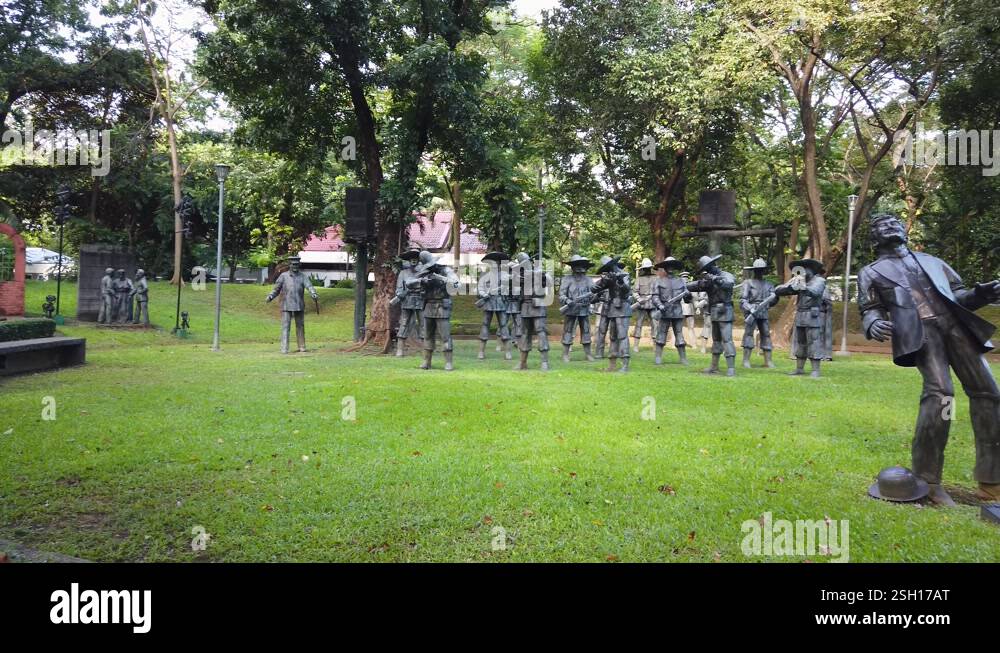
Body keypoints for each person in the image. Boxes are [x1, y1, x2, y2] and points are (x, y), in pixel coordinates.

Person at [858, 212, 1000, 505]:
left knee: (988, 393)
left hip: (958, 328)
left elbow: (959, 296)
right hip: (923, 335)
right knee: (942, 396)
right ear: (874, 238)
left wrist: (981, 295)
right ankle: (928, 480)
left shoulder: (934, 262)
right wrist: (873, 323)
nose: (890, 226)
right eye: (882, 225)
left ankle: (991, 479)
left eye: (894, 222)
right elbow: (869, 308)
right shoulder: (870, 272)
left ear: (904, 230)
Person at [686, 254, 737, 376]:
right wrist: (684, 287)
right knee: (716, 340)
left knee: (727, 339)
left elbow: (729, 284)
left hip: (725, 310)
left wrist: (714, 279)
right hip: (714, 312)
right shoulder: (708, 280)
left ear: (713, 265)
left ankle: (731, 368)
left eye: (708, 268)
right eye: (705, 269)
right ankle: (714, 366)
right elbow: (696, 285)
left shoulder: (726, 275)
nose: (707, 271)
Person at [775, 259, 827, 377]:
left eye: (804, 268)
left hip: (812, 315)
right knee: (800, 342)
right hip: (800, 315)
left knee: (814, 341)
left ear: (811, 269)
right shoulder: (799, 280)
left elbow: (815, 292)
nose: (801, 271)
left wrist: (802, 286)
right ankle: (799, 368)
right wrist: (790, 287)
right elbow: (778, 290)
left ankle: (815, 370)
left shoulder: (819, 280)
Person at [409, 250, 460, 370]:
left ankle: (448, 362)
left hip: (442, 306)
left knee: (445, 336)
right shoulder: (424, 272)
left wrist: (440, 278)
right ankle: (426, 361)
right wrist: (421, 281)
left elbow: (457, 284)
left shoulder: (446, 270)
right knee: (427, 335)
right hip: (428, 306)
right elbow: (409, 282)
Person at [265, 256, 319, 354]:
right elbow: (276, 289)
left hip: (299, 304)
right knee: (286, 327)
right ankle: (284, 348)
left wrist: (313, 293)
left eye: (297, 264)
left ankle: (302, 346)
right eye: (293, 264)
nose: (295, 266)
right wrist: (271, 296)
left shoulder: (303, 276)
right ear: (290, 265)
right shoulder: (283, 276)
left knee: (300, 326)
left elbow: (309, 286)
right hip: (286, 305)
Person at [590, 255, 632, 372]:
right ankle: (612, 364)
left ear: (613, 266)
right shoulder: (608, 277)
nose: (607, 270)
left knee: (622, 336)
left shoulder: (624, 275)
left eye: (608, 268)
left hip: (623, 308)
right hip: (612, 309)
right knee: (613, 336)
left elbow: (627, 291)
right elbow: (593, 289)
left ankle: (625, 364)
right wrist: (605, 280)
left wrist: (619, 281)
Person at [512, 252, 552, 370]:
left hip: (538, 306)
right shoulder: (519, 275)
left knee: (541, 332)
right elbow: (515, 285)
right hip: (525, 307)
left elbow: (549, 282)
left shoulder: (539, 272)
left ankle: (544, 362)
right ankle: (522, 362)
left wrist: (541, 275)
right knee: (525, 334)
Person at [650, 256, 691, 365]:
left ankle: (683, 358)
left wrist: (688, 295)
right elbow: (654, 297)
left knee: (679, 334)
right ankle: (658, 357)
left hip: (677, 311)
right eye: (668, 266)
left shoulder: (681, 281)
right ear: (665, 268)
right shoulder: (658, 281)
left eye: (672, 266)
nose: (670, 268)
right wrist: (660, 306)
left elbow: (687, 300)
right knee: (661, 334)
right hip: (664, 311)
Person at [739, 258, 778, 368]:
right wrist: (751, 308)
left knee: (766, 334)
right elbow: (743, 300)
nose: (759, 272)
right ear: (754, 270)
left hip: (763, 312)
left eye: (761, 270)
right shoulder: (748, 283)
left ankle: (768, 361)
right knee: (748, 334)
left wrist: (774, 298)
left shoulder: (769, 284)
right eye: (757, 270)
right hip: (752, 311)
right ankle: (746, 360)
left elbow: (773, 300)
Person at [558, 255, 596, 362]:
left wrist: (593, 301)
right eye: (577, 265)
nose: (580, 268)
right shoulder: (567, 279)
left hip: (584, 309)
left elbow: (593, 294)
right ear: (573, 267)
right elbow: (561, 295)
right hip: (571, 309)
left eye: (582, 266)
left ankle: (588, 354)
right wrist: (568, 301)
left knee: (586, 331)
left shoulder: (588, 280)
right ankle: (565, 354)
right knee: (568, 330)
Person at [476, 251, 510, 360]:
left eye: (497, 263)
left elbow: (509, 289)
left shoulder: (505, 276)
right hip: (488, 302)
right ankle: (481, 351)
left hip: (500, 302)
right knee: (485, 324)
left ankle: (507, 352)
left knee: (503, 325)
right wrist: (484, 294)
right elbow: (479, 289)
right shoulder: (485, 276)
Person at [393, 246, 424, 357]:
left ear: (419, 260)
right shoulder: (403, 273)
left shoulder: (424, 272)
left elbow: (427, 287)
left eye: (416, 258)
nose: (414, 260)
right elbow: (399, 289)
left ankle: (426, 350)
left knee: (423, 324)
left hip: (421, 301)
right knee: (404, 323)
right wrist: (400, 294)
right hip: (407, 301)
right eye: (411, 258)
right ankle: (400, 350)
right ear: (409, 260)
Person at [631, 257, 655, 352]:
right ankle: (636, 345)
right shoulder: (639, 279)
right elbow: (635, 292)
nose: (647, 270)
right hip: (641, 304)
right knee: (639, 323)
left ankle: (655, 345)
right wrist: (639, 299)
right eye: (645, 268)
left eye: (648, 268)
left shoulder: (656, 278)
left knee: (655, 323)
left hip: (653, 303)